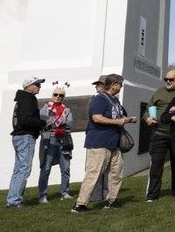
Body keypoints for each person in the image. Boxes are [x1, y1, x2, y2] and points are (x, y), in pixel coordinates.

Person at [72, 73, 137, 212]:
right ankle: (80, 204)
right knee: (94, 173)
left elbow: (118, 116)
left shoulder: (115, 100)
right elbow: (96, 118)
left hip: (115, 144)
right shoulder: (99, 99)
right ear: (114, 85)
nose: (121, 87)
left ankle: (111, 200)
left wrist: (128, 119)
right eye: (120, 84)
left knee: (116, 173)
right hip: (99, 143)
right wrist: (117, 122)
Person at [6, 77, 46, 208]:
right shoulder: (28, 99)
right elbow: (26, 120)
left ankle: (12, 199)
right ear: (29, 86)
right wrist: (43, 123)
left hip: (18, 136)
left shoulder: (21, 99)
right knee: (24, 169)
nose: (39, 87)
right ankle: (14, 201)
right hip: (25, 136)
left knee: (18, 169)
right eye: (37, 84)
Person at [144, 66, 175, 201]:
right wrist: (147, 118)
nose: (168, 81)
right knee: (156, 165)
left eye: (171, 79)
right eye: (166, 79)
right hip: (159, 134)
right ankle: (152, 195)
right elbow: (148, 108)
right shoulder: (159, 92)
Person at [37, 82, 74, 202]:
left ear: (64, 97)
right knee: (46, 168)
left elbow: (69, 124)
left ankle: (65, 193)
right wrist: (60, 121)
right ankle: (42, 195)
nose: (58, 97)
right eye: (56, 94)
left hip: (63, 140)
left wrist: (53, 122)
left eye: (61, 95)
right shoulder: (45, 108)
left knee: (65, 168)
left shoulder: (67, 109)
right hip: (49, 140)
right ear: (52, 95)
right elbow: (43, 122)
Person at [87, 76, 109, 204]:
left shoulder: (105, 100)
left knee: (99, 169)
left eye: (99, 84)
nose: (97, 87)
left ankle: (101, 195)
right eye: (97, 85)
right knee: (96, 169)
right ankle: (96, 195)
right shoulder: (96, 99)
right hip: (96, 137)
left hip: (100, 138)